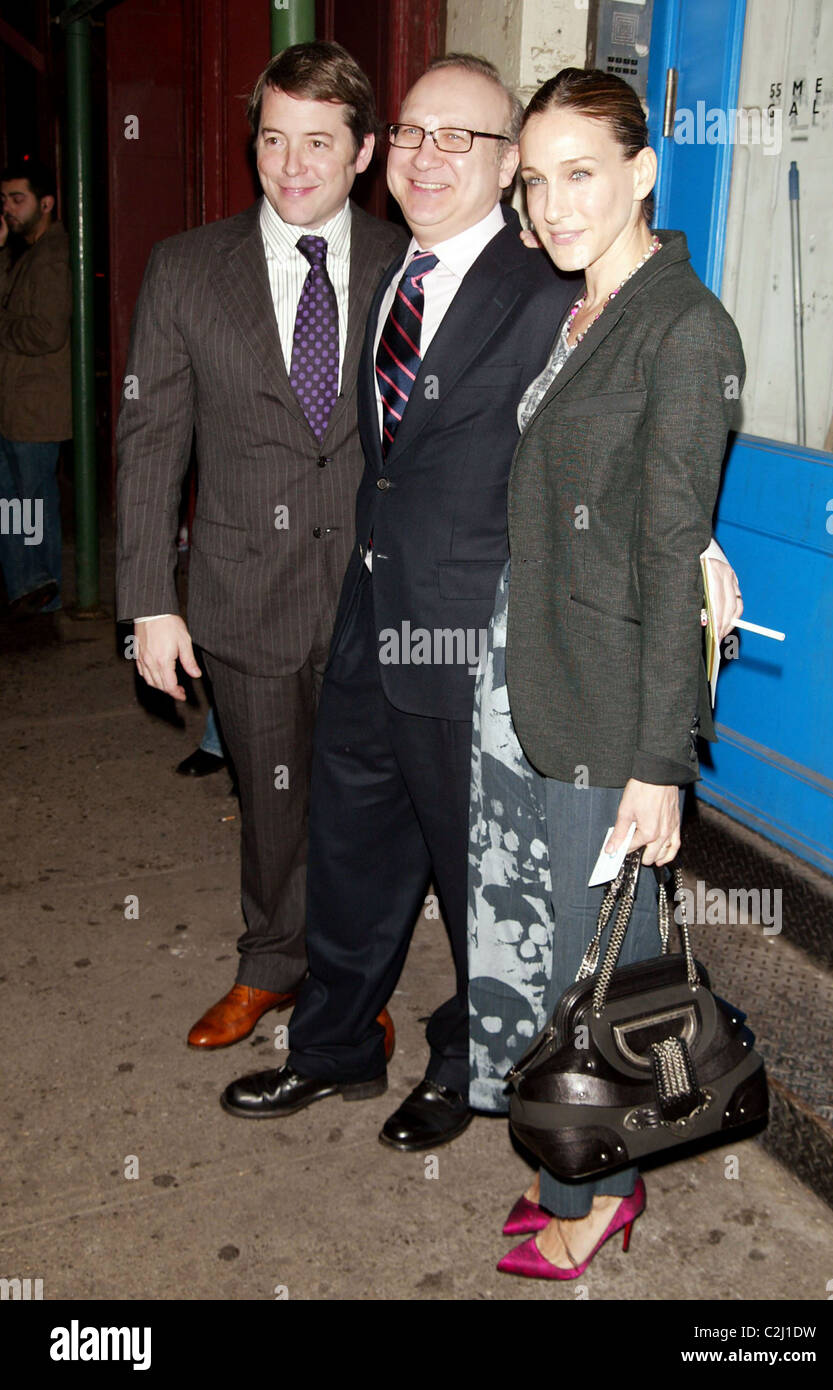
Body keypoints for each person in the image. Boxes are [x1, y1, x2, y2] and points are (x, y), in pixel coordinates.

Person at [220, 55, 741, 1150]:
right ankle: (332, 1047)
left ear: (505, 164)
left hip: (479, 647)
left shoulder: (553, 279)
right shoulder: (367, 267)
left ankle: (468, 1066)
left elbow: (637, 438)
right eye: (412, 132)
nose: (426, 155)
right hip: (369, 616)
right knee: (351, 850)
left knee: (477, 886)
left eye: (461, 137)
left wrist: (697, 549)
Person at [465, 68, 746, 1280]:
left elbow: (666, 542)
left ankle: (601, 1187)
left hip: (606, 701)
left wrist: (656, 766)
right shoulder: (581, 307)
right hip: (542, 673)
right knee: (565, 951)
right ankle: (562, 1165)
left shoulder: (686, 328)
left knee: (607, 968)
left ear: (641, 171)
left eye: (580, 172)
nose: (551, 201)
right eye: (533, 178)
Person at [116, 42, 407, 1050]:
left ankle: (349, 975)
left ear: (362, 151)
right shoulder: (188, 268)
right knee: (273, 793)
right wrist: (150, 602)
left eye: (318, 143)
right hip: (244, 596)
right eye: (274, 139)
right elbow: (151, 439)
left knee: (363, 805)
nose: (292, 165)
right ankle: (270, 964)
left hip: (375, 599)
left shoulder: (407, 264)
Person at [0, 159, 71, 618]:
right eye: (3, 200)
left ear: (45, 204)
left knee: (30, 499)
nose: (7, 208)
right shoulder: (26, 253)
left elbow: (46, 333)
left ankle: (43, 585)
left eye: (17, 199)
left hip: (35, 406)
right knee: (13, 501)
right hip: (16, 403)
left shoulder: (54, 255)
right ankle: (27, 581)